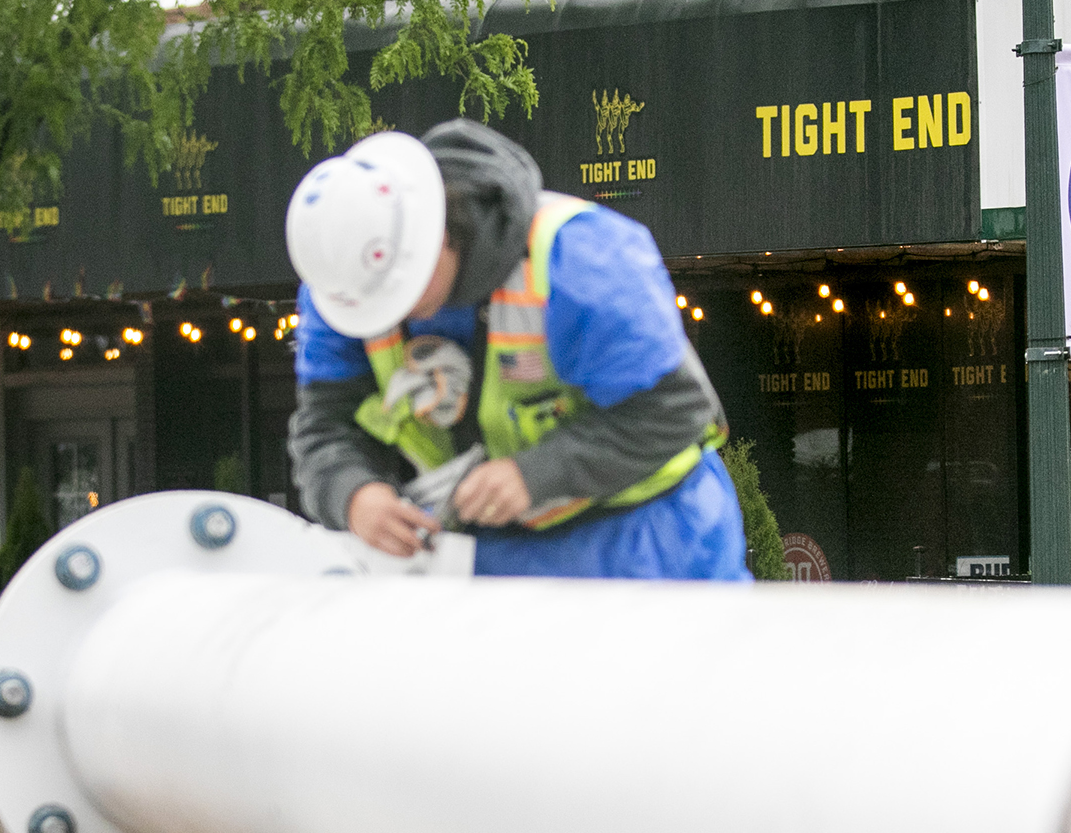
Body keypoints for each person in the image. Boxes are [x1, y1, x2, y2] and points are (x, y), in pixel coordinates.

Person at [285, 119, 748, 580]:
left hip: (655, 544)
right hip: (501, 557)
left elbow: (674, 410)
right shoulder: (347, 288)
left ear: (442, 231)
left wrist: (535, 473)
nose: (395, 315)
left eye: (403, 292)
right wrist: (353, 495)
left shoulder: (582, 259)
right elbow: (324, 426)